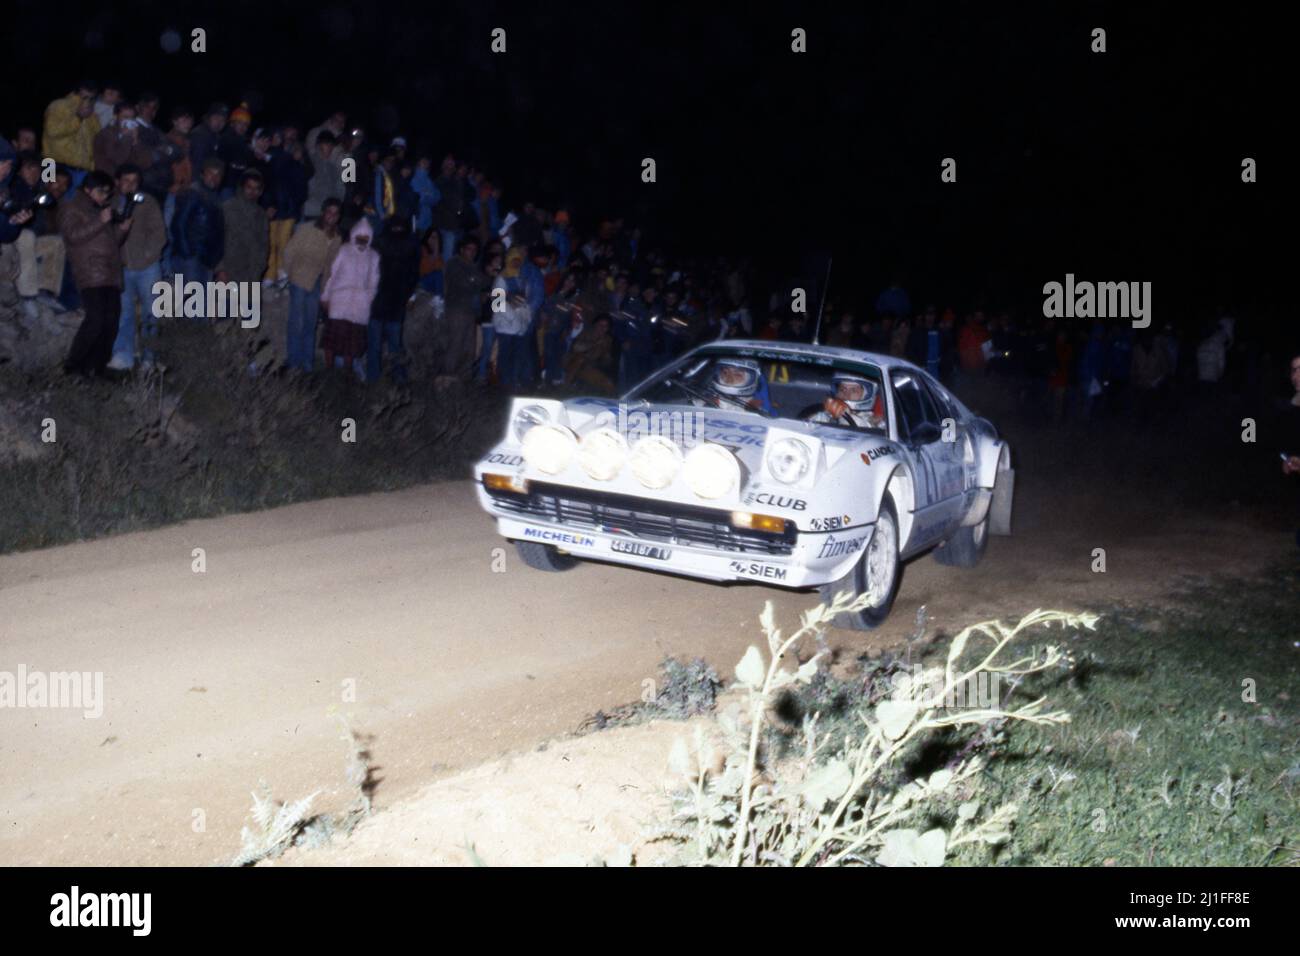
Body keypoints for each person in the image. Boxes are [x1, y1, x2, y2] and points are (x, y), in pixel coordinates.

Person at [60, 170, 133, 377]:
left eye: (108, 193)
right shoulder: (71, 207)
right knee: (95, 320)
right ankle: (73, 366)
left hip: (110, 274)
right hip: (91, 272)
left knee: (111, 322)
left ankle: (97, 368)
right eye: (102, 192)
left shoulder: (99, 209)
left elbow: (111, 243)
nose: (105, 197)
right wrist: (101, 221)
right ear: (87, 189)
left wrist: (122, 230)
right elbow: (73, 236)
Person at [107, 163, 166, 371]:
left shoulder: (147, 202)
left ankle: (150, 357)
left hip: (147, 267)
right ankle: (123, 355)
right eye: (126, 181)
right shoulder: (110, 203)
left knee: (152, 313)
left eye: (134, 181)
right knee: (124, 313)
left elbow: (159, 232)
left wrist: (149, 255)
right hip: (121, 268)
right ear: (117, 182)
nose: (130, 185)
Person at [281, 198, 342, 371]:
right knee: (296, 322)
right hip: (300, 279)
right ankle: (293, 362)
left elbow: (331, 265)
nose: (331, 216)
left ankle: (307, 364)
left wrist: (326, 289)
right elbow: (289, 252)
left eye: (335, 213)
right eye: (329, 212)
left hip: (317, 283)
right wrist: (290, 274)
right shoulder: (307, 229)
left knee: (310, 323)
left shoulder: (337, 237)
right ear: (323, 212)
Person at [320, 219, 379, 379]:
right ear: (353, 236)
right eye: (359, 237)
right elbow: (331, 275)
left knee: (351, 345)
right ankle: (328, 372)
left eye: (365, 238)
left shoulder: (373, 257)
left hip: (359, 307)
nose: (362, 241)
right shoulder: (344, 250)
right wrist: (326, 296)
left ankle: (346, 376)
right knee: (331, 341)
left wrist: (367, 299)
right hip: (340, 301)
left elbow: (374, 282)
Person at [368, 215, 420, 384]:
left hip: (397, 300)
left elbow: (413, 274)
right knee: (376, 344)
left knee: (394, 344)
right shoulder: (381, 242)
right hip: (378, 299)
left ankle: (397, 379)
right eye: (394, 227)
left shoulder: (411, 244)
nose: (397, 230)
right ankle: (374, 379)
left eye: (400, 227)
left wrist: (409, 295)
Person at [170, 156, 226, 287]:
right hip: (192, 257)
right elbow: (178, 225)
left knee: (199, 302)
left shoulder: (215, 197)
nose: (213, 178)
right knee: (194, 301)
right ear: (202, 174)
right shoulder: (193, 193)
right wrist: (188, 254)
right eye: (210, 173)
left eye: (218, 175)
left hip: (206, 258)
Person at [443, 233, 489, 382]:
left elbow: (488, 287)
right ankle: (447, 381)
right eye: (469, 249)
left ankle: (465, 382)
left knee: (471, 349)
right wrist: (477, 283)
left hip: (476, 314)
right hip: (457, 310)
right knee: (455, 345)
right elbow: (466, 284)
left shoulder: (476, 268)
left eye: (475, 250)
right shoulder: (454, 264)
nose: (472, 253)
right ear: (462, 249)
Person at [42, 81, 102, 185]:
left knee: (76, 200)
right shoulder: (58, 105)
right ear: (76, 93)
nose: (87, 100)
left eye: (91, 97)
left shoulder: (91, 112)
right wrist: (78, 117)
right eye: (84, 96)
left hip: (80, 169)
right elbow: (52, 131)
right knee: (48, 196)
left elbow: (97, 135)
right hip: (52, 163)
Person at [217, 170, 269, 284]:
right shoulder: (228, 208)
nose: (252, 191)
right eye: (249, 187)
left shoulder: (261, 214)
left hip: (251, 274)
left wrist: (259, 269)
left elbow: (263, 245)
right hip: (228, 272)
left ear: (261, 191)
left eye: (256, 188)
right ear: (242, 187)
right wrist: (220, 269)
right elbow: (216, 240)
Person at [809, 373, 885, 429]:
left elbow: (866, 430)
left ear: (865, 394)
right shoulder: (827, 415)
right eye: (842, 389)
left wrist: (845, 414)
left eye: (854, 390)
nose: (846, 395)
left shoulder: (876, 422)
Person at [700, 357, 773, 414]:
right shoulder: (701, 397)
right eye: (725, 373)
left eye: (737, 375)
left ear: (749, 378)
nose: (729, 379)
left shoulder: (757, 407)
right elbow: (690, 427)